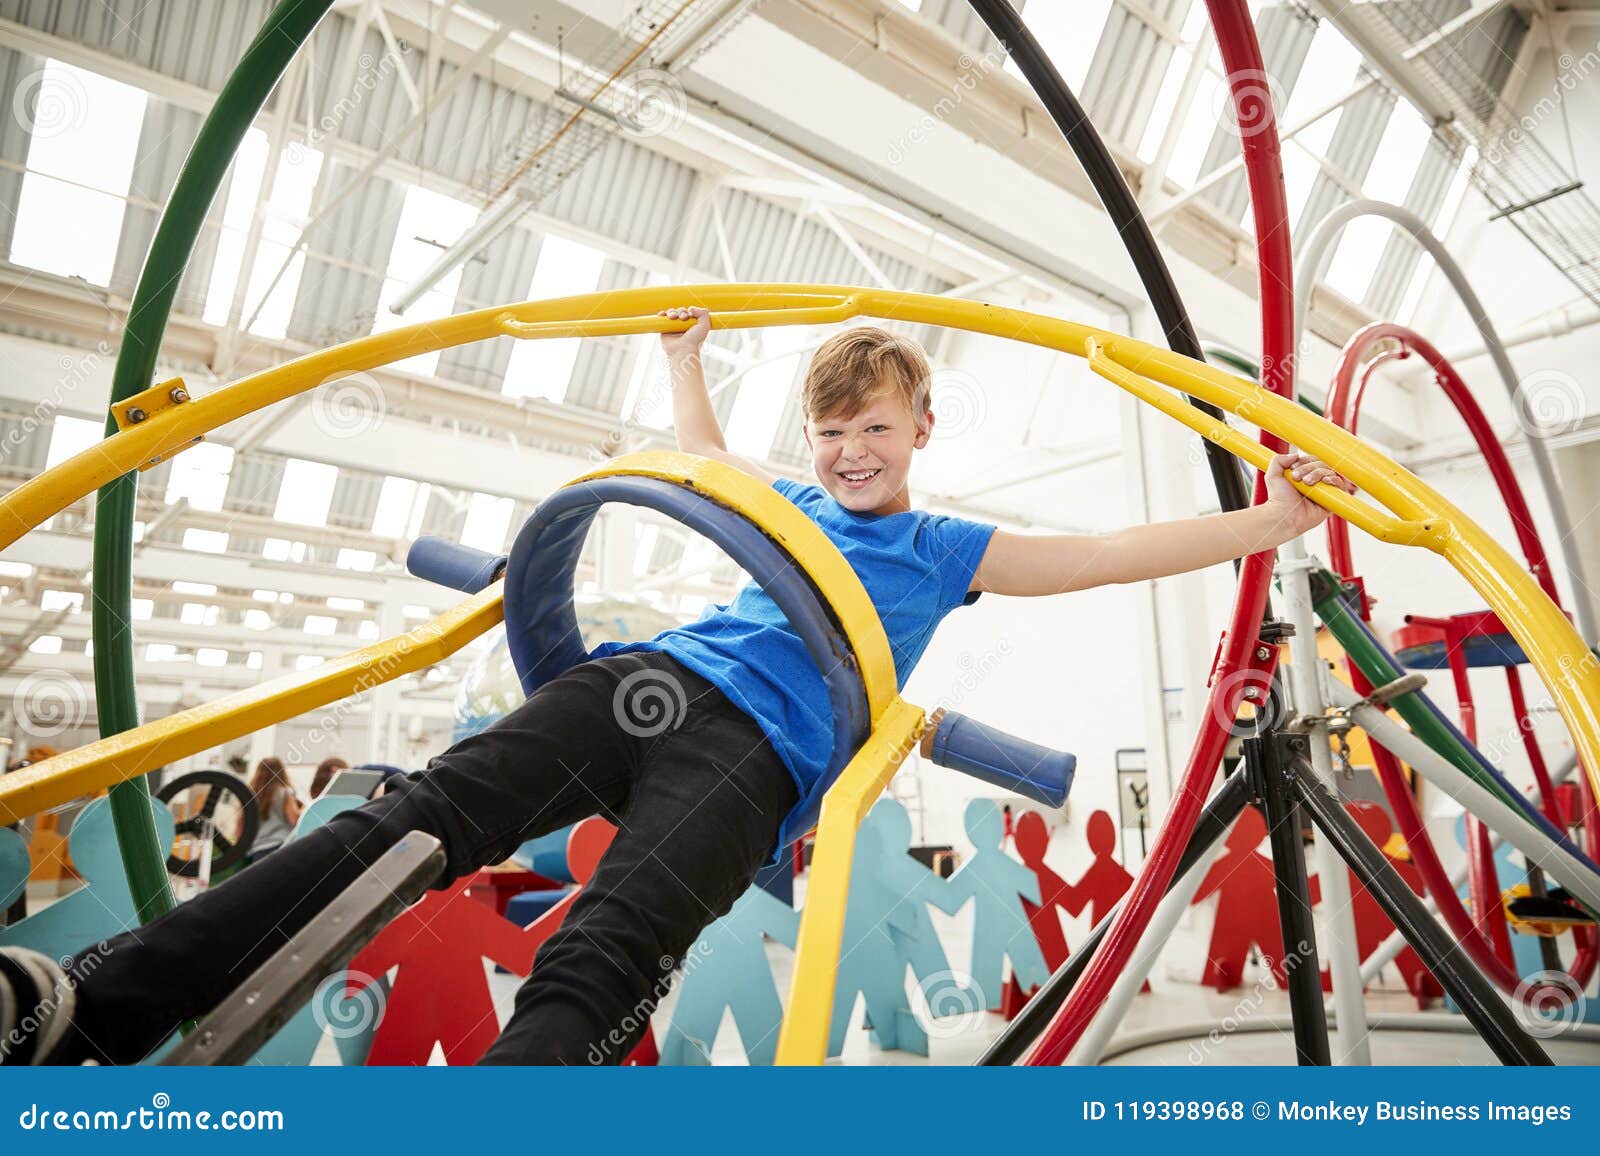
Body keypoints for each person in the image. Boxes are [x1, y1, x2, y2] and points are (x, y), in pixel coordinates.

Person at [0, 309, 1352, 1066]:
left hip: (756, 755)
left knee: (607, 945)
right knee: (398, 825)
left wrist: (1270, 527)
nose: (850, 456)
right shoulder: (785, 495)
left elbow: (1112, 551)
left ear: (921, 431)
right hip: (644, 681)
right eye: (830, 436)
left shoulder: (946, 550)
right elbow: (705, 460)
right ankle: (93, 1003)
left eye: (874, 431)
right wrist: (685, 355)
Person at [242, 757, 302, 865]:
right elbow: (294, 820)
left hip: (258, 851)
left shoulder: (249, 796)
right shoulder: (284, 792)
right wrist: (302, 809)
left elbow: (240, 829)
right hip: (281, 847)